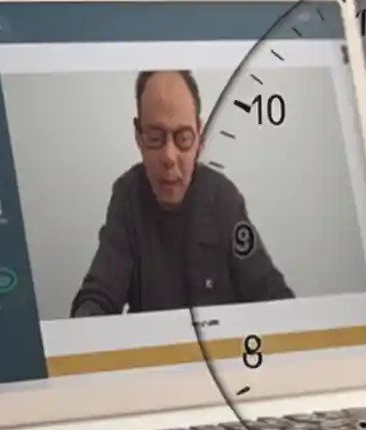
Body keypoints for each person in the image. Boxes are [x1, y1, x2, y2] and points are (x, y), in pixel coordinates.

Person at [70, 69, 294, 317]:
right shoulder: (127, 197)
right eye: (155, 137)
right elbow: (100, 293)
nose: (169, 157)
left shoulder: (223, 198)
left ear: (200, 137)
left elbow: (268, 289)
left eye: (183, 138)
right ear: (138, 137)